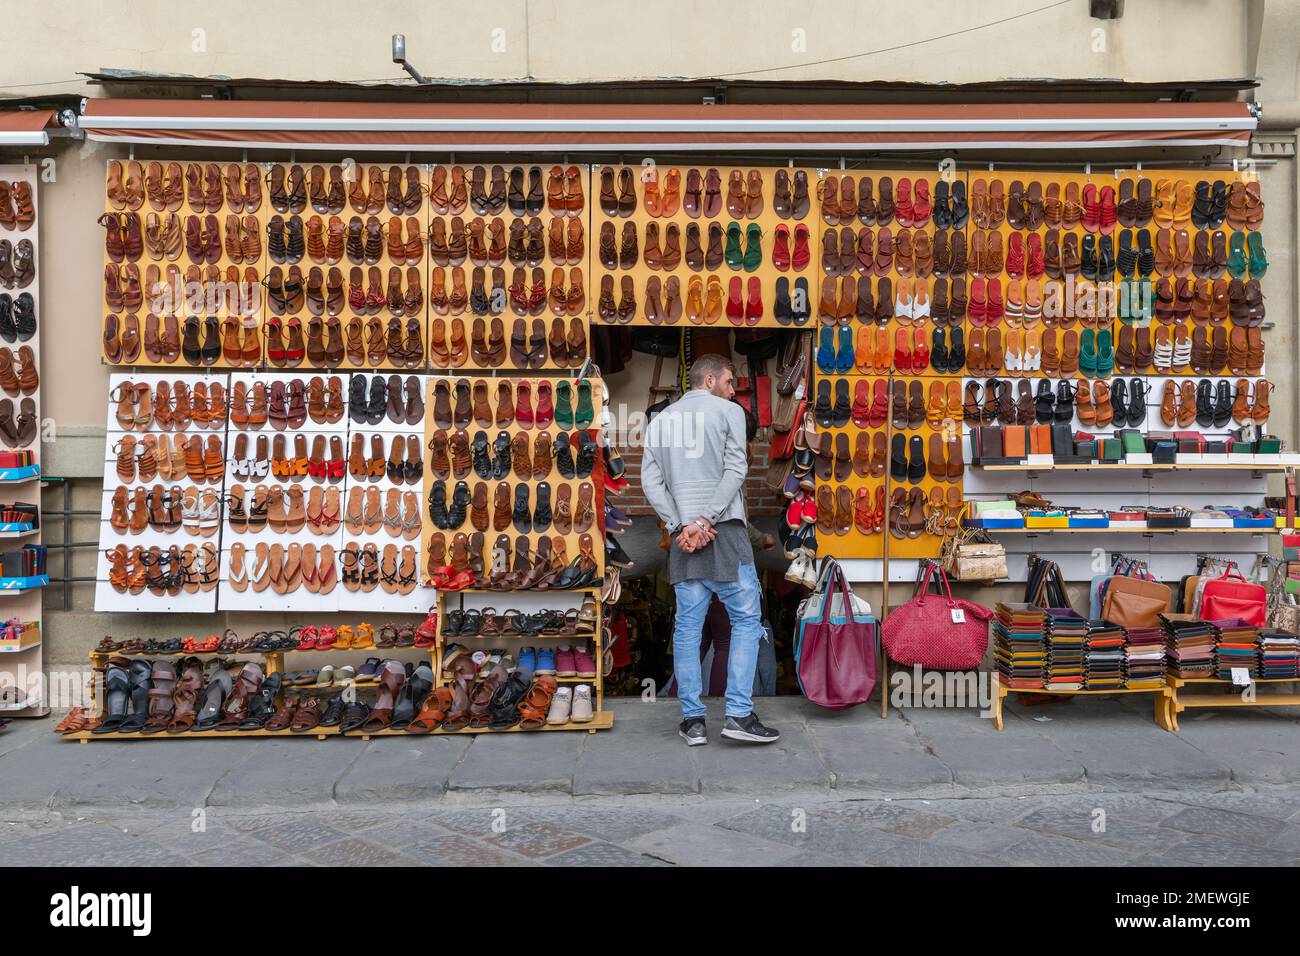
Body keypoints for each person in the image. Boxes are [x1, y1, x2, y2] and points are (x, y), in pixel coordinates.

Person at [641, 353, 780, 747]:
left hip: (685, 537)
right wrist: (707, 520)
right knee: (746, 621)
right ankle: (737, 714)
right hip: (725, 531)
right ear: (710, 380)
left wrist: (680, 525)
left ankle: (694, 722)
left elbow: (650, 482)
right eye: (730, 382)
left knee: (687, 628)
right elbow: (736, 471)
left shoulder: (660, 420)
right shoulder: (729, 412)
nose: (733, 390)